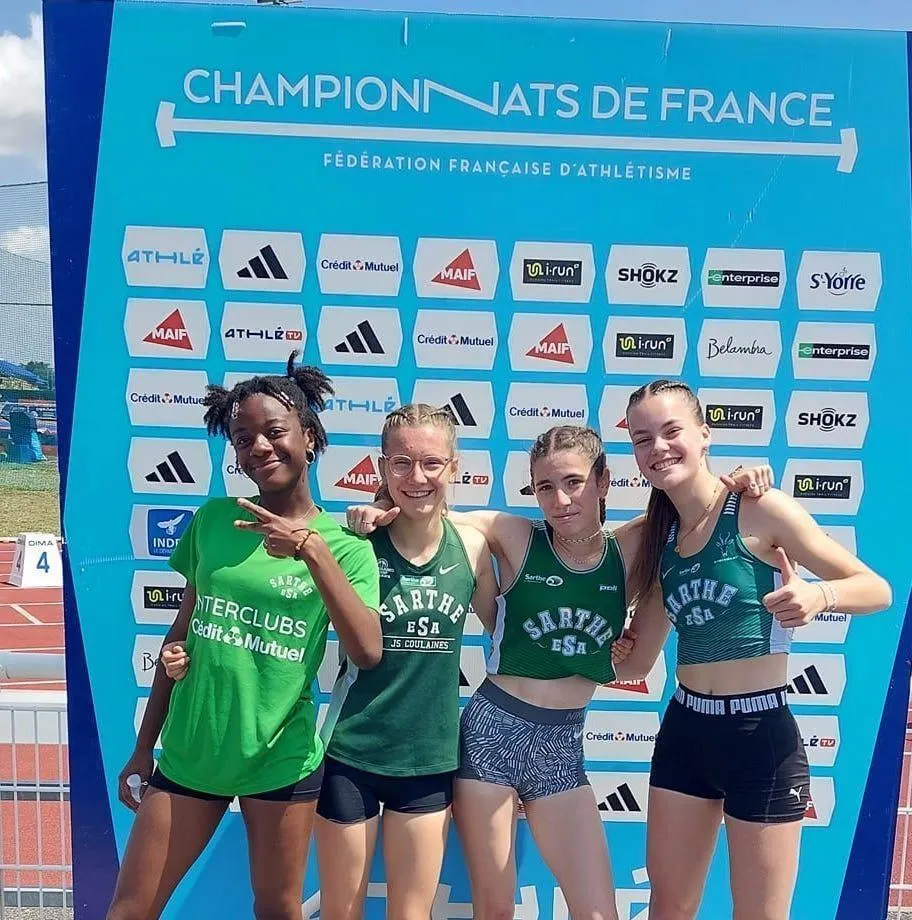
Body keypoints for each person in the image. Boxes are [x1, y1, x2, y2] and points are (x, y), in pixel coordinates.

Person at [347, 424, 770, 920]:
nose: (560, 499)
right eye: (544, 487)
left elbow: (696, 506)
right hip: (491, 735)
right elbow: (432, 514)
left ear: (603, 481)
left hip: (562, 745)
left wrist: (741, 481)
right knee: (495, 910)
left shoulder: (636, 547)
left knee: (597, 913)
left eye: (573, 482)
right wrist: (374, 511)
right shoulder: (517, 535)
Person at [107, 353, 382, 920]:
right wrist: (143, 745)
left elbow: (367, 651)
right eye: (242, 437)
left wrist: (310, 549)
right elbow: (176, 639)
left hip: (280, 760)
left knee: (277, 911)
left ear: (309, 437)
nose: (259, 447)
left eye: (274, 432)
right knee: (129, 911)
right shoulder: (213, 521)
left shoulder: (345, 548)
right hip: (190, 755)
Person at [613, 378, 892, 920]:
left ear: (704, 435)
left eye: (672, 431)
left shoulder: (759, 509)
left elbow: (876, 589)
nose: (659, 448)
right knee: (668, 908)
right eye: (643, 439)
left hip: (759, 738)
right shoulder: (655, 537)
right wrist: (572, 651)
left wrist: (819, 595)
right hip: (685, 733)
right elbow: (641, 660)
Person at [313, 403, 499, 920]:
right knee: (341, 912)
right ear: (381, 468)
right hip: (351, 751)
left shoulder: (474, 547)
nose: (416, 477)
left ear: (454, 467)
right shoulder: (356, 544)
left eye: (431, 463)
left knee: (412, 914)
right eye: (401, 463)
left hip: (429, 759)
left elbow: (508, 644)